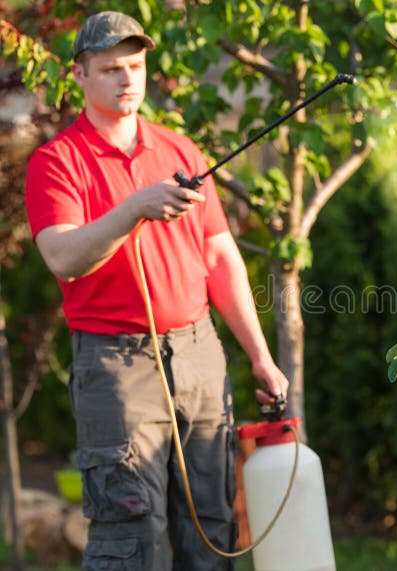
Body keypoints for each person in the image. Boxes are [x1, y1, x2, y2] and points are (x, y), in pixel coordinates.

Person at [24, 11, 289, 571]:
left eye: (137, 66)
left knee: (210, 525)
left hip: (198, 352)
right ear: (80, 75)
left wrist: (261, 358)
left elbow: (221, 258)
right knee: (130, 534)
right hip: (115, 366)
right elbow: (63, 258)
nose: (128, 80)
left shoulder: (182, 151)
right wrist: (134, 209)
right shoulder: (57, 162)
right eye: (112, 68)